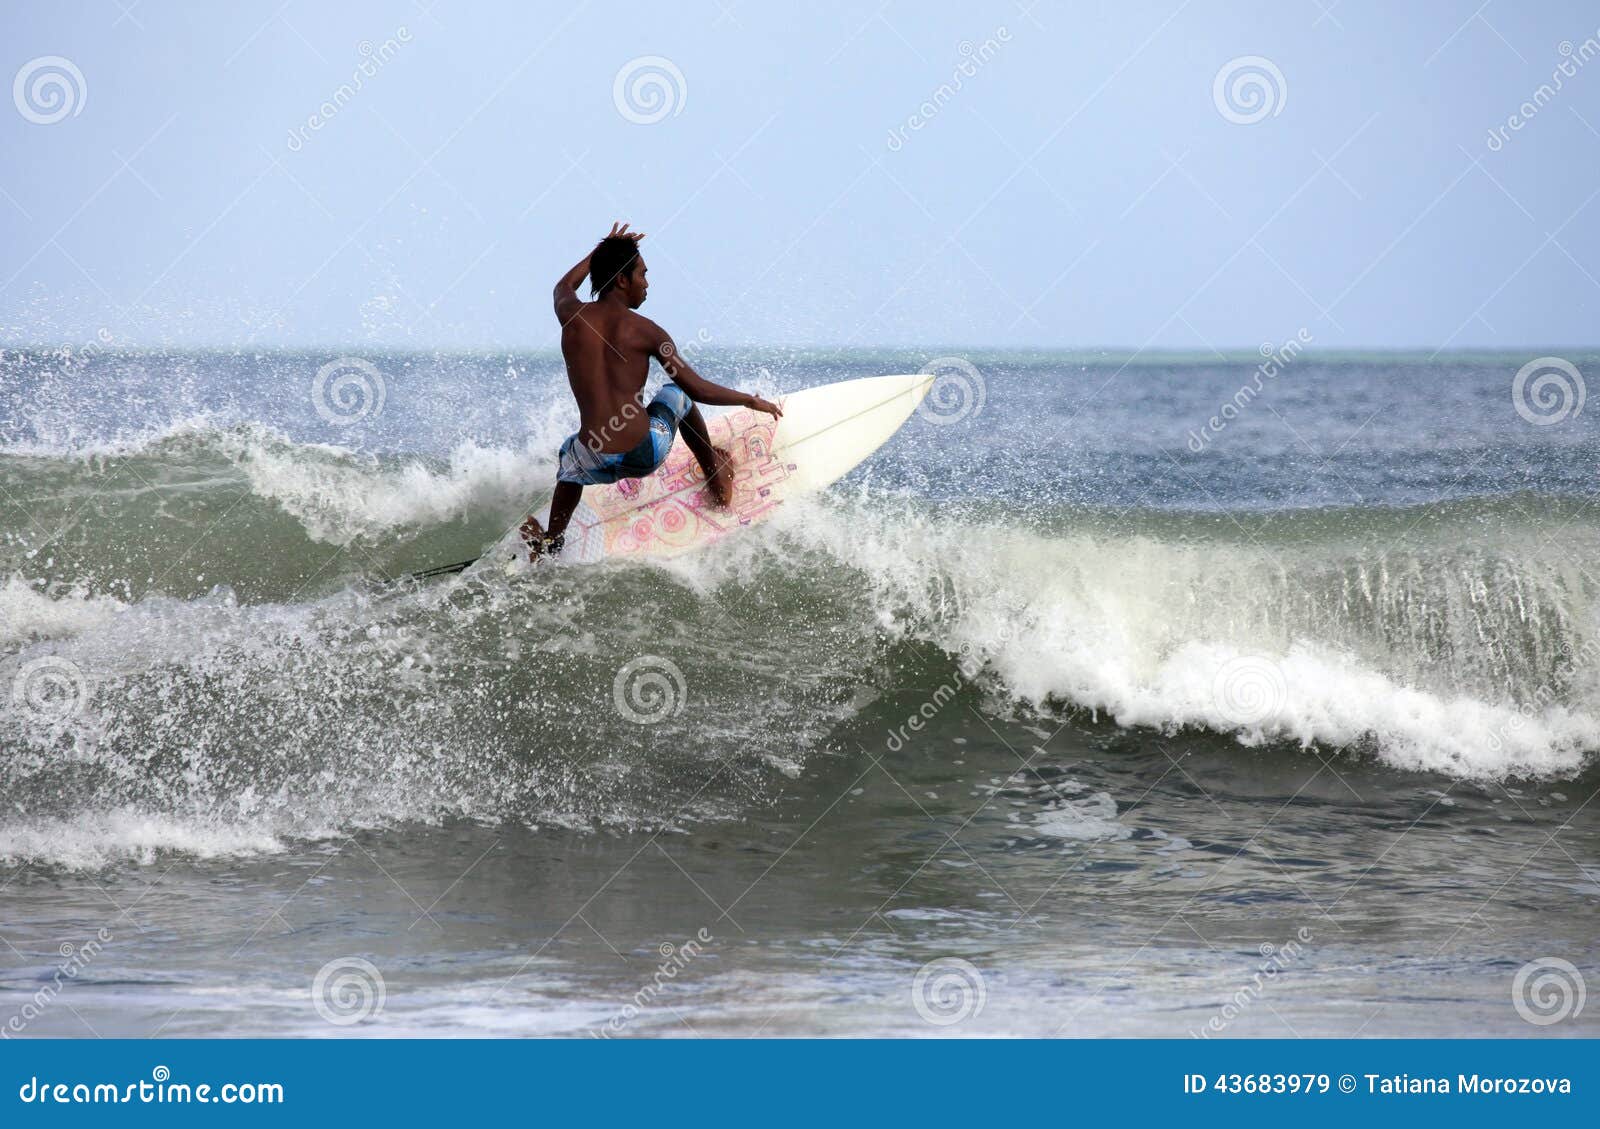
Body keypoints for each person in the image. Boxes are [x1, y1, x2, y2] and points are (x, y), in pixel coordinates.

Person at [519, 222, 782, 560]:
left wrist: (599, 252)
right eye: (642, 274)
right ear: (622, 280)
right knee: (677, 395)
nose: (647, 284)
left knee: (570, 456)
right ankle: (716, 477)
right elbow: (697, 388)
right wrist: (749, 399)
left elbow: (563, 286)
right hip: (642, 454)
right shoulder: (648, 332)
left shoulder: (571, 315)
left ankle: (551, 540)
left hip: (593, 458)